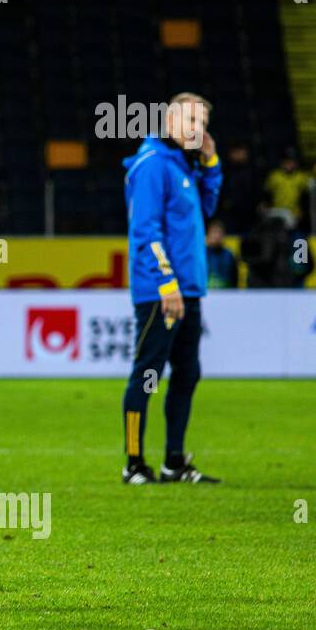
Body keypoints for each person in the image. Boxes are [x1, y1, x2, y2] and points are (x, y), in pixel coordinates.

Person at [120, 93, 223, 485]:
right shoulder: (152, 165)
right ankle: (134, 464)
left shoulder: (183, 164)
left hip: (190, 290)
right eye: (191, 121)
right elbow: (145, 230)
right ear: (169, 122)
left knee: (187, 373)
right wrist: (166, 283)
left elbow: (207, 209)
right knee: (146, 373)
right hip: (160, 291)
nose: (198, 130)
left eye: (203, 123)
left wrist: (211, 161)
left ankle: (173, 463)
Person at [264, 148, 310, 219]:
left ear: (296, 163)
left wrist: (302, 210)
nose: (289, 164)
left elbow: (307, 197)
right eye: (286, 161)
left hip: (293, 214)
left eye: (292, 162)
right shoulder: (274, 176)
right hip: (276, 212)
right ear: (282, 162)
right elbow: (266, 194)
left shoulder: (301, 177)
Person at [205, 218, 239, 289]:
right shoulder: (201, 255)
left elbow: (234, 278)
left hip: (226, 293)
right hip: (206, 292)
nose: (217, 236)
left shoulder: (229, 255)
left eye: (219, 232)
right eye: (214, 232)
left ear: (224, 236)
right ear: (208, 235)